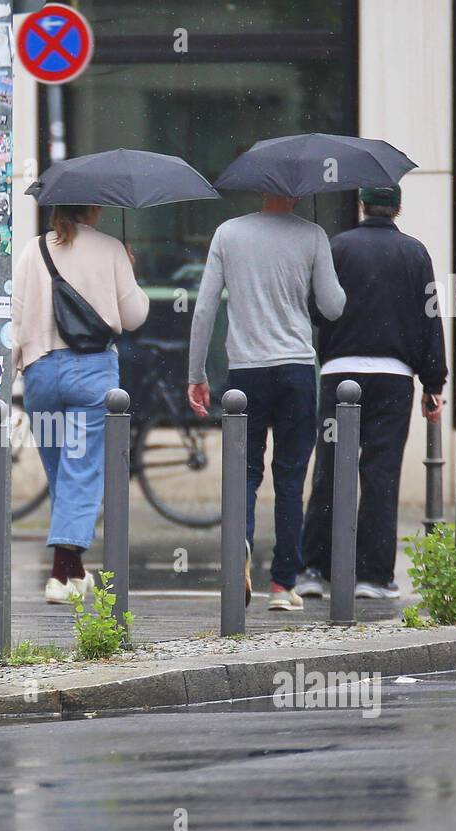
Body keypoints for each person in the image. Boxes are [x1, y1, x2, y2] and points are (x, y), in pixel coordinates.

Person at [187, 193, 346, 610]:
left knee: (244, 473)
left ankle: (239, 546)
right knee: (291, 479)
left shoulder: (228, 233)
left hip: (245, 373)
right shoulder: (313, 235)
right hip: (295, 369)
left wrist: (196, 374)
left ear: (259, 189)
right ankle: (282, 584)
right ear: (295, 192)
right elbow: (333, 307)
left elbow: (203, 310)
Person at [298, 185, 448, 600]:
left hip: (339, 375)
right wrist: (433, 383)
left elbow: (316, 309)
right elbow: (429, 319)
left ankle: (314, 567)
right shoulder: (416, 254)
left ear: (362, 205)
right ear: (398, 207)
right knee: (381, 475)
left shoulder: (337, 247)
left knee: (329, 469)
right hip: (393, 378)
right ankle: (373, 575)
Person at [11, 203, 149, 604]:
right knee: (82, 469)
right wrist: (128, 270)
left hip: (42, 375)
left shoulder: (32, 249)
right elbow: (135, 315)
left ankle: (74, 572)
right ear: (93, 207)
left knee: (61, 470)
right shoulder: (110, 249)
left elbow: (15, 321)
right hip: (91, 374)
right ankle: (58, 574)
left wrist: (18, 369)